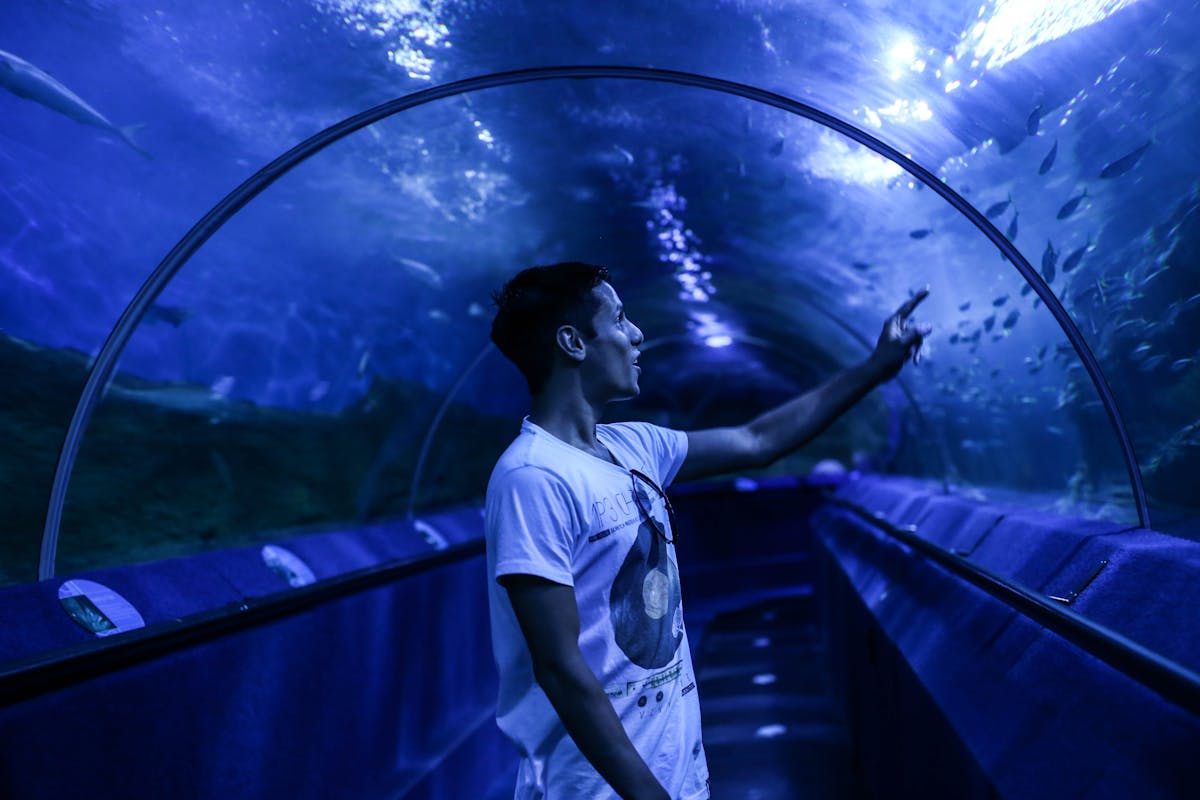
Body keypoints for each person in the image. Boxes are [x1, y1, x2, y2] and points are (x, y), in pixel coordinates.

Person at [485, 261, 930, 800]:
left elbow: (757, 440)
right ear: (573, 342)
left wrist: (875, 369)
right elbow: (558, 665)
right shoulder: (532, 477)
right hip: (593, 789)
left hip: (674, 773)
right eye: (619, 319)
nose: (636, 334)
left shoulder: (634, 446)